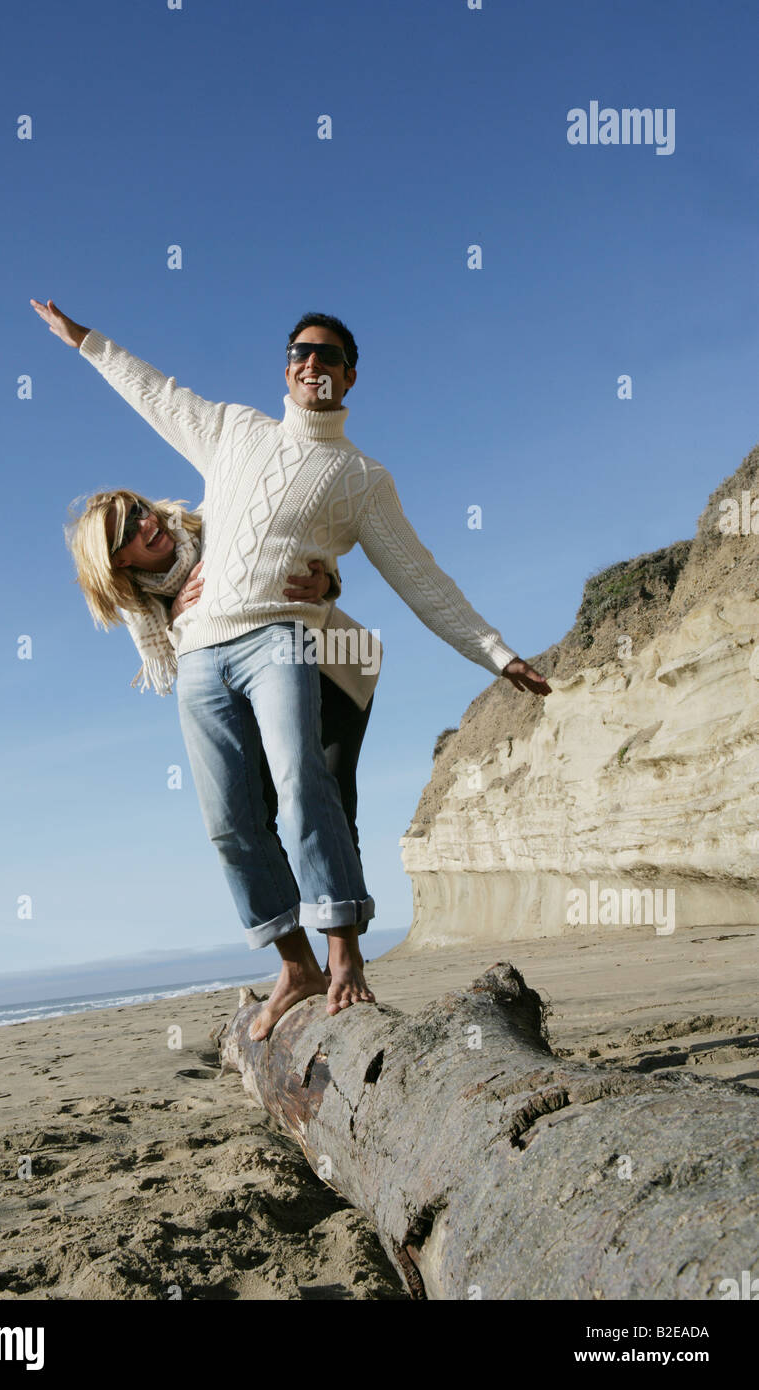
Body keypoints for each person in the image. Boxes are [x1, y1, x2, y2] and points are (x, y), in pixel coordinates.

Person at [31, 297, 551, 1041]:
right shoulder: (235, 432)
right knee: (229, 823)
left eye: (330, 356)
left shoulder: (362, 479)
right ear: (286, 369)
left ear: (350, 377)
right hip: (201, 657)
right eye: (302, 352)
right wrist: (87, 342)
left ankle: (344, 953)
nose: (314, 364)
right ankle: (295, 966)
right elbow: (155, 392)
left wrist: (495, 651)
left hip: (284, 640)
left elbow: (421, 577)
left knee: (305, 782)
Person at [65, 486, 379, 896]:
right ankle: (299, 948)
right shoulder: (141, 605)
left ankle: (345, 941)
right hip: (248, 697)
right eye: (127, 530)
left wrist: (326, 576)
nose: (146, 524)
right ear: (118, 560)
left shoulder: (214, 523)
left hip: (330, 669)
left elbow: (293, 532)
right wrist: (177, 619)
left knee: (325, 797)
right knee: (254, 813)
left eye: (139, 510)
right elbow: (188, 665)